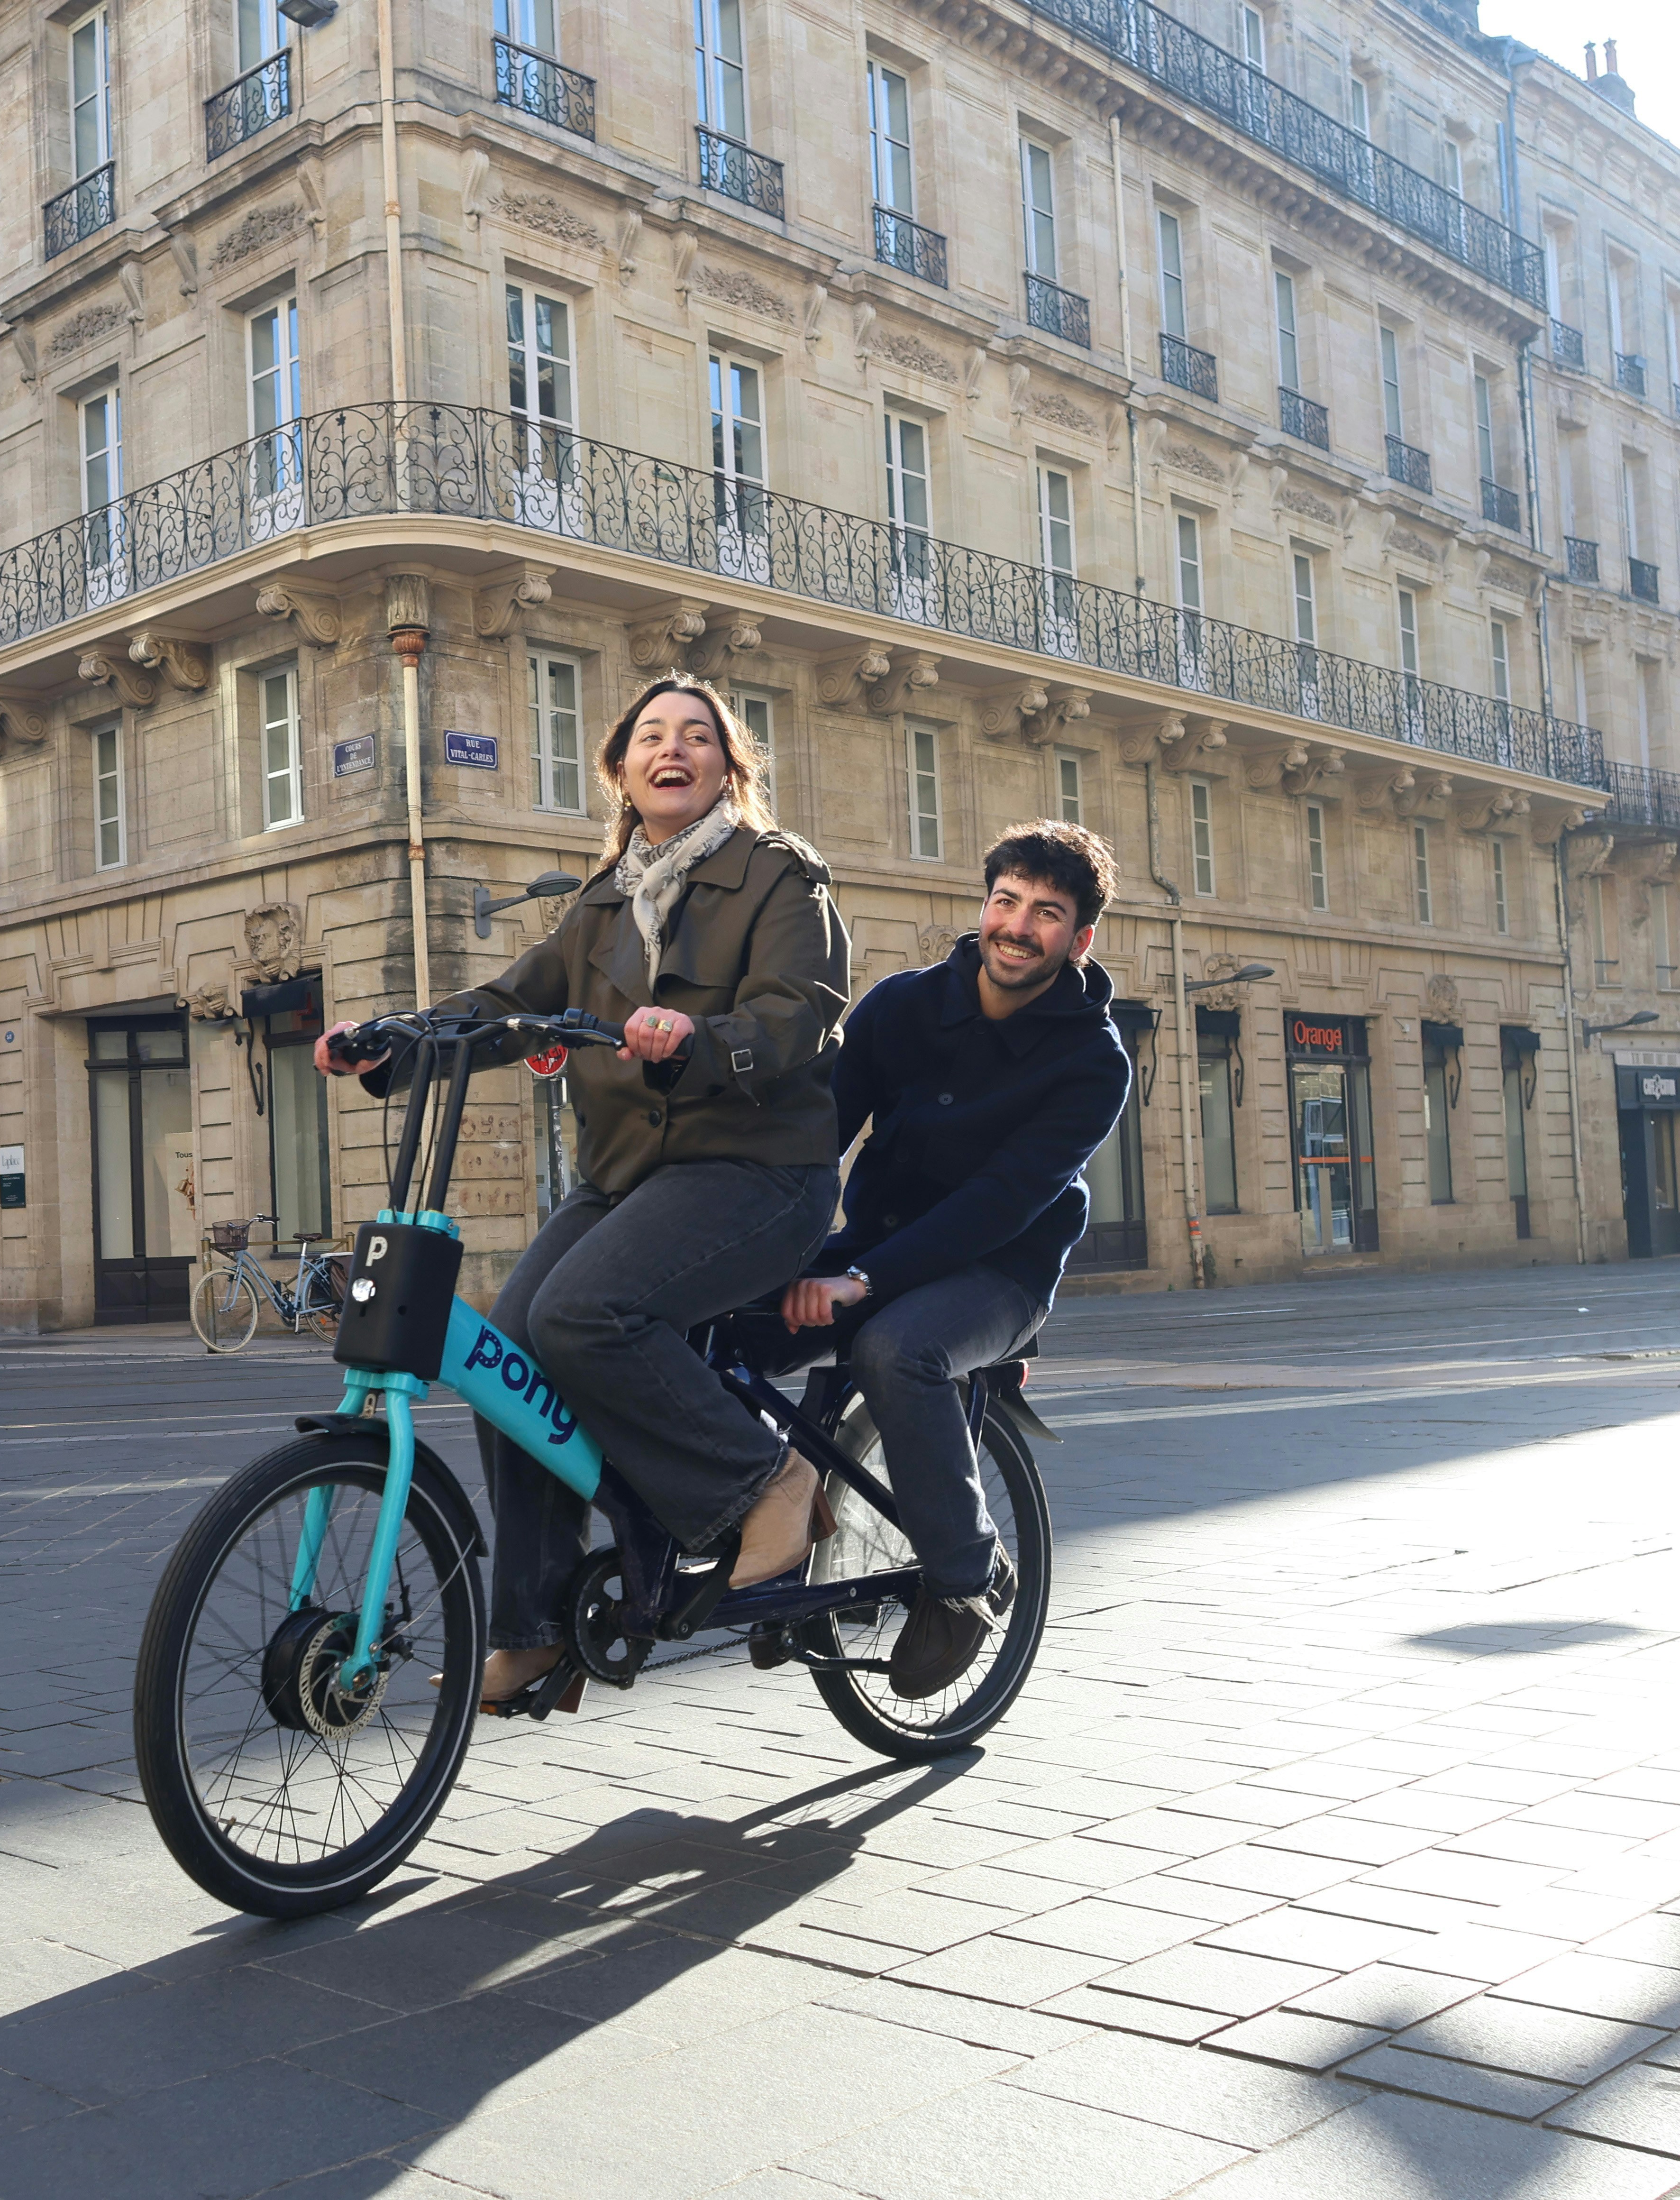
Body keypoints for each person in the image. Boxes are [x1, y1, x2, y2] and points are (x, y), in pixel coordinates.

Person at [319, 675, 850, 1706]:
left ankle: (767, 1477)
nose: (672, 749)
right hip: (628, 1176)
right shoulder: (603, 902)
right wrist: (392, 1040)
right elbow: (507, 1005)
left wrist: (701, 1036)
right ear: (620, 769)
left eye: (696, 736)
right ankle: (539, 1626)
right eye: (651, 735)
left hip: (756, 1170)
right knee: (509, 1357)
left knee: (581, 1314)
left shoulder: (779, 874)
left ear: (727, 768)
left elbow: (801, 1013)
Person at [781, 819, 1131, 1698]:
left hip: (1001, 1271)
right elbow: (814, 1136)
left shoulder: (1095, 1060)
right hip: (873, 1242)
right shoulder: (902, 1005)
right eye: (1007, 901)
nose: (1018, 926)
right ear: (984, 906)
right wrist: (761, 1248)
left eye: (1046, 913)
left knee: (897, 1349)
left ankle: (966, 1577)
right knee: (710, 1323)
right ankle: (764, 1527)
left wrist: (861, 1282)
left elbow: (1001, 1202)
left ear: (1080, 939)